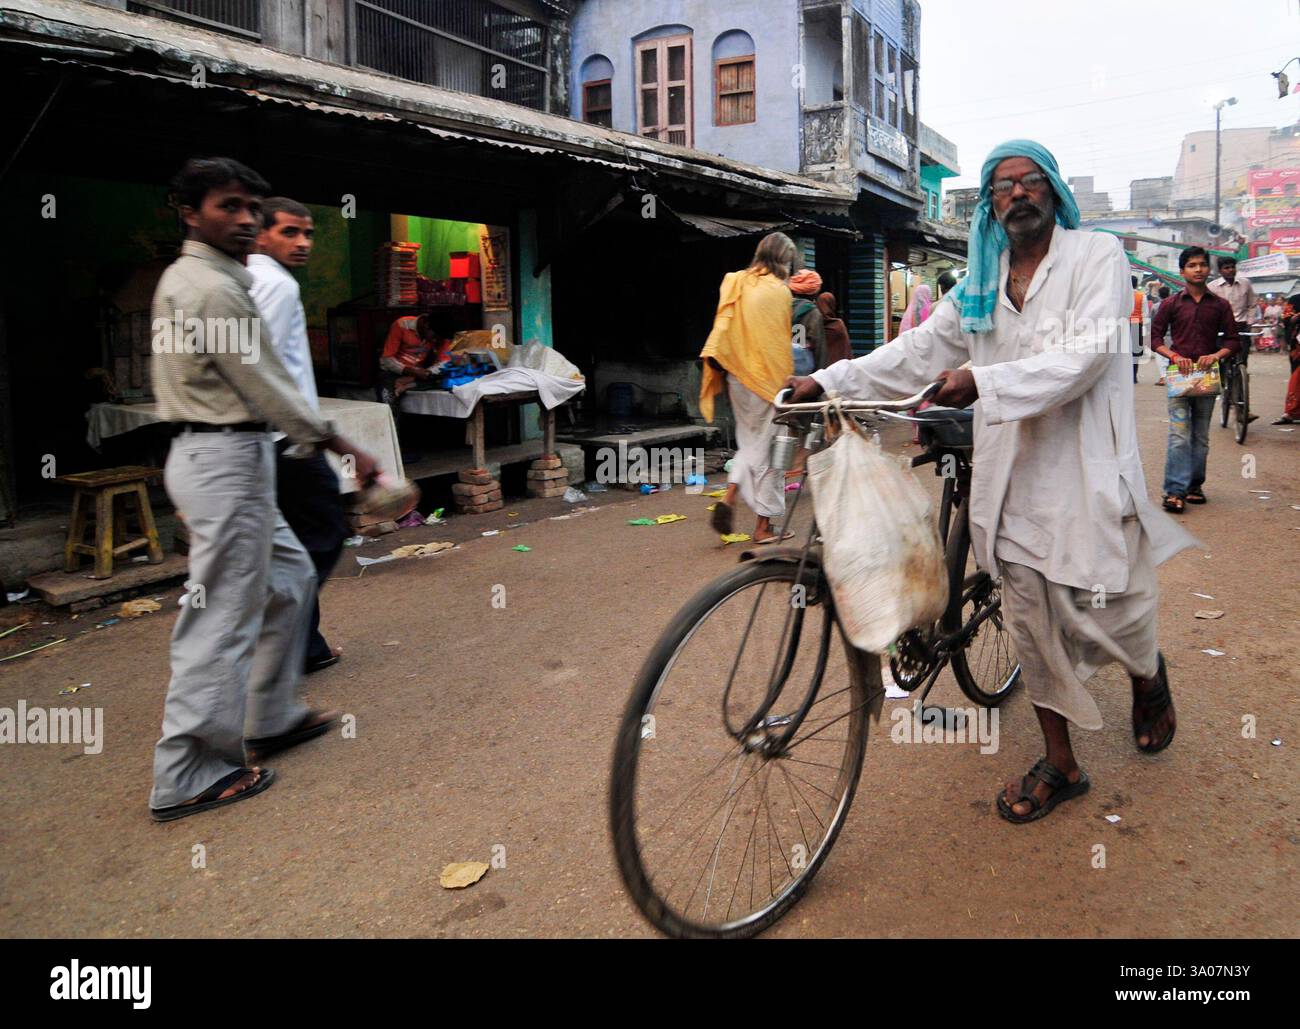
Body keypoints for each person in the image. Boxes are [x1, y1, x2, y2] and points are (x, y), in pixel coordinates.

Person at [785, 140, 1195, 823]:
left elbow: (1087, 356)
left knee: (1114, 605)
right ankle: (1060, 760)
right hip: (1014, 481)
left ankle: (1147, 672)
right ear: (990, 204)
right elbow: (913, 354)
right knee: (1032, 619)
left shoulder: (1097, 258)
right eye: (1001, 187)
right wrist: (825, 380)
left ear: (1053, 191)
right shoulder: (977, 282)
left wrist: (984, 379)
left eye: (1030, 181)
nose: (1017, 194)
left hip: (1088, 469)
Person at [149, 158, 379, 821]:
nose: (246, 218)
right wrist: (340, 443)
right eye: (229, 206)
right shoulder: (213, 287)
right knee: (220, 618)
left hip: (234, 454)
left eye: (252, 206)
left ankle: (270, 712)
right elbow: (266, 384)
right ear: (190, 212)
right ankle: (188, 769)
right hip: (224, 458)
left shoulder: (219, 277)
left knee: (291, 577)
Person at [248, 196, 350, 676]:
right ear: (261, 233)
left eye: (308, 233)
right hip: (285, 439)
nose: (303, 243)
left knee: (293, 541)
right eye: (290, 232)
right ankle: (289, 642)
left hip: (273, 437)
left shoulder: (250, 278)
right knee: (324, 530)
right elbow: (259, 368)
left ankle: (300, 642)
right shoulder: (275, 283)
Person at [700, 232, 797, 545]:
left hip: (736, 377)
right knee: (771, 450)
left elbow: (725, 324)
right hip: (767, 382)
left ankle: (729, 497)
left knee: (749, 444)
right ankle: (763, 527)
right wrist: (788, 382)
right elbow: (779, 342)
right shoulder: (779, 292)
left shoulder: (736, 280)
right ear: (783, 259)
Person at [1151, 246, 1240, 513]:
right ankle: (1174, 491)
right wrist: (1173, 355)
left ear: (1207, 269)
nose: (1198, 269)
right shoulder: (1171, 304)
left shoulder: (1220, 305)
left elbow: (1233, 340)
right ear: (1182, 271)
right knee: (1179, 435)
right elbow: (1155, 339)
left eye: (1202, 264)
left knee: (1200, 436)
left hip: (1208, 376)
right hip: (1179, 375)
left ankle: (1194, 486)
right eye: (1192, 265)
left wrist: (1215, 355)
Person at [378, 312, 448, 416]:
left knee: (444, 379)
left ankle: (406, 384)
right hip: (394, 371)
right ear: (426, 326)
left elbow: (443, 362)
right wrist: (410, 371)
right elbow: (386, 360)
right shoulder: (401, 324)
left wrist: (422, 374)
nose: (436, 340)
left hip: (417, 373)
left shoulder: (440, 335)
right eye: (434, 337)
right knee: (389, 405)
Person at [1207, 255, 1259, 353]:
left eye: (1232, 267)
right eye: (1226, 268)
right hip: (1220, 326)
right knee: (1220, 355)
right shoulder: (1211, 287)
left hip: (1241, 325)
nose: (1230, 270)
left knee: (1243, 354)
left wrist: (1250, 321)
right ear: (1220, 271)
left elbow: (1252, 304)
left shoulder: (1246, 283)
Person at [789, 268, 826, 375]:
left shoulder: (782, 307)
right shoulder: (813, 313)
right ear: (814, 293)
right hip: (804, 371)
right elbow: (819, 348)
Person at [1272, 294, 1300, 425]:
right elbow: (1286, 320)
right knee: (1296, 377)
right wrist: (1296, 317)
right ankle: (1292, 411)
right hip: (1298, 346)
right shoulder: (1295, 299)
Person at [816, 292, 852, 366]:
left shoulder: (814, 323)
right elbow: (846, 349)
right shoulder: (838, 324)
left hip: (820, 368)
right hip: (838, 368)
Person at [1151, 285, 1172, 385]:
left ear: (1159, 295)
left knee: (1160, 357)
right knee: (1170, 356)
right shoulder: (1174, 305)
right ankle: (1170, 377)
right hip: (1172, 335)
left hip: (1159, 335)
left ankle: (1163, 377)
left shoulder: (1155, 306)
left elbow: (1152, 320)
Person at [1129, 276, 1147, 383]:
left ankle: (1125, 375)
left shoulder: (1123, 296)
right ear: (1137, 284)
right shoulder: (1141, 296)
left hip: (1124, 324)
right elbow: (1145, 313)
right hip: (1137, 324)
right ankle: (1134, 376)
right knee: (1135, 353)